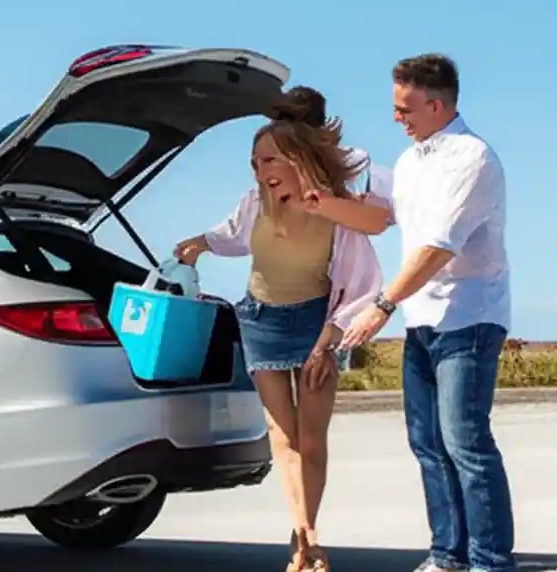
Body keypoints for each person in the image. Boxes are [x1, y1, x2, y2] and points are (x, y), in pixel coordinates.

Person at [174, 86, 391, 572]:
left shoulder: (335, 208)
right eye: (254, 162)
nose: (259, 170)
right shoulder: (253, 202)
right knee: (283, 436)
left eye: (268, 160)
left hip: (318, 322)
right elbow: (230, 236)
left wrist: (329, 339)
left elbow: (361, 283)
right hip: (261, 320)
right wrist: (198, 244)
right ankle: (304, 538)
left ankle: (306, 534)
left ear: (294, 158)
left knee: (312, 439)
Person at [340, 54, 515, 572]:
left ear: (436, 104)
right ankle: (448, 556)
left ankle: (489, 561)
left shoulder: (472, 158)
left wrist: (380, 305)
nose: (397, 117)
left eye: (404, 107)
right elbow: (380, 218)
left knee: (466, 442)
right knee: (428, 445)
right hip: (422, 321)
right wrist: (317, 204)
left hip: (469, 318)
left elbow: (438, 246)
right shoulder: (412, 162)